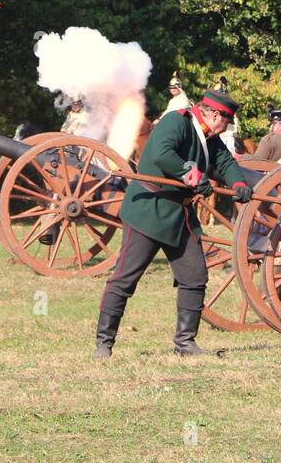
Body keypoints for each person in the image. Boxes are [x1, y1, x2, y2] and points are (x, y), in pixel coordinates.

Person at [95, 88, 253, 359]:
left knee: (195, 277)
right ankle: (104, 343)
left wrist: (238, 183)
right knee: (125, 279)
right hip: (149, 209)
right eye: (226, 121)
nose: (226, 127)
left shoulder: (208, 136)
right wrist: (192, 175)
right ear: (216, 115)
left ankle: (185, 343)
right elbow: (161, 154)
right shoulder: (176, 121)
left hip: (180, 215)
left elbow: (225, 161)